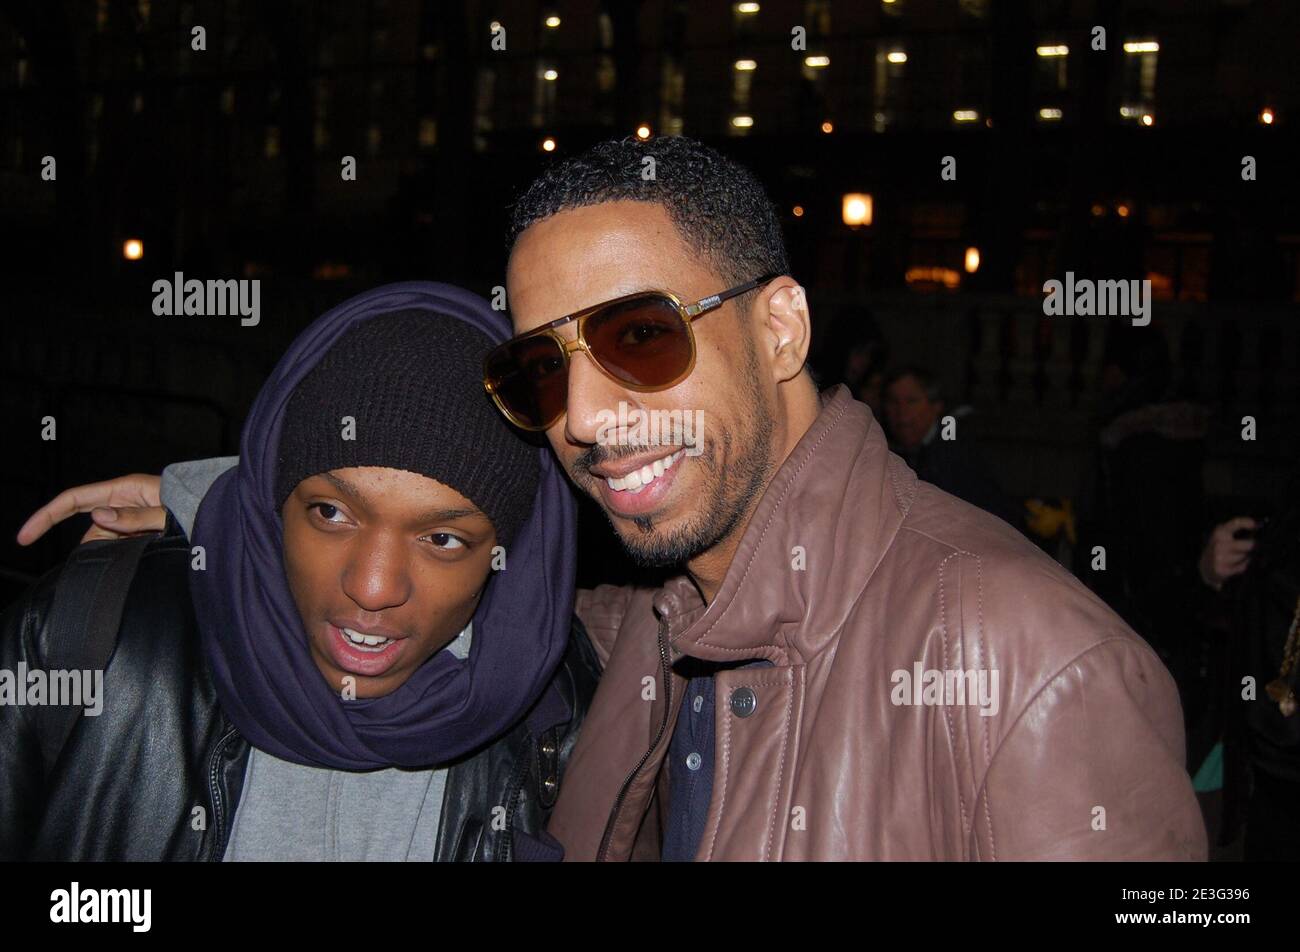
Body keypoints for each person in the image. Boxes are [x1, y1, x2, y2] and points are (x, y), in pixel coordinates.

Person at [24, 137, 1206, 860]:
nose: (584, 414)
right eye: (544, 366)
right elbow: (454, 544)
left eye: (640, 335)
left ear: (782, 325)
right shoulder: (644, 622)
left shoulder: (1036, 664)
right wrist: (233, 496)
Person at [2, 282, 598, 861]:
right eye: (331, 512)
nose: (372, 588)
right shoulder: (97, 635)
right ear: (272, 503)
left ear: (509, 554)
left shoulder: (565, 708)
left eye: (443, 538)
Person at [881, 366, 1023, 530]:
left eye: (912, 401)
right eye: (892, 401)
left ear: (936, 406)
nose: (901, 411)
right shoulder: (885, 449)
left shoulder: (958, 452)